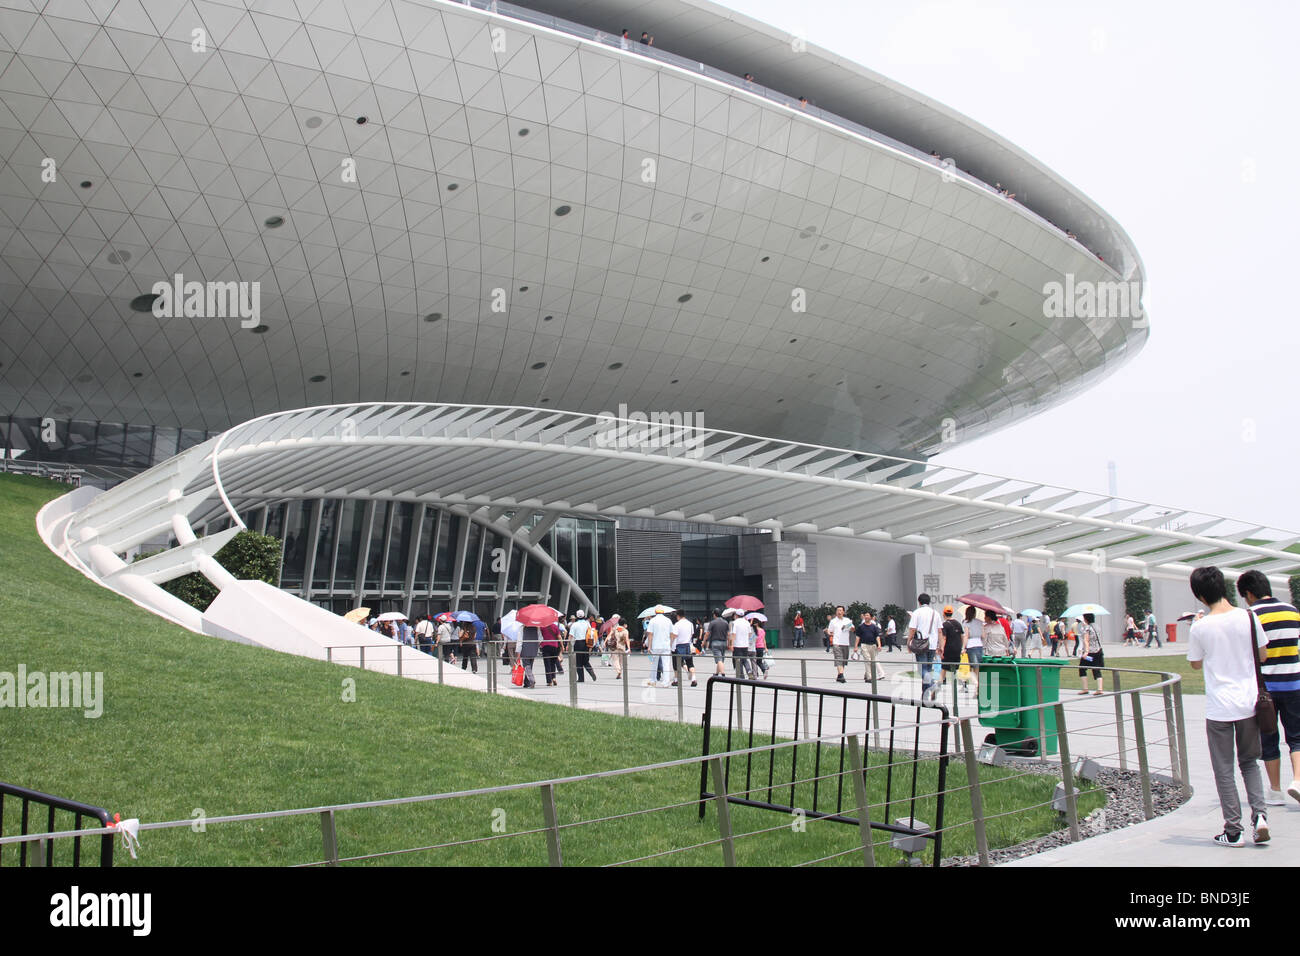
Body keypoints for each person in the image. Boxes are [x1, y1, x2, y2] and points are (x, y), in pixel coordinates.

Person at [1188, 566, 1270, 846]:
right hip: (1248, 704)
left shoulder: (1200, 626)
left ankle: (1233, 830)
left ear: (1200, 596)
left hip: (1219, 707)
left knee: (1224, 769)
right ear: (1223, 587)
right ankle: (1260, 816)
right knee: (1249, 763)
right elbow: (1263, 653)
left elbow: (1195, 663)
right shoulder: (1248, 617)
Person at [1237, 569, 1300, 806]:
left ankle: (1275, 791)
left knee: (1268, 738)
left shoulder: (1250, 615)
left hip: (1265, 690)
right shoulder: (1293, 611)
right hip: (1294, 683)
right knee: (1296, 736)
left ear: (1249, 593)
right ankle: (1297, 780)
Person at [907, 594, 942, 701]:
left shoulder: (917, 612)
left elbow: (912, 629)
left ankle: (932, 685)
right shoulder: (935, 613)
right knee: (927, 670)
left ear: (919, 602)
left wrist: (909, 642)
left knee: (922, 670)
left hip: (921, 644)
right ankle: (925, 695)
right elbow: (940, 630)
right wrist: (940, 645)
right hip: (932, 645)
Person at [1076, 612, 1105, 696]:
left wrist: (1086, 652)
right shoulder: (1097, 627)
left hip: (1090, 652)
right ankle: (1100, 688)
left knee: (1082, 668)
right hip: (1098, 651)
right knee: (1096, 669)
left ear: (1086, 619)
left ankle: (1085, 688)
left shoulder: (1087, 628)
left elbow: (1086, 640)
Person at [939, 606, 965, 694]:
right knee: (956, 668)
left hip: (948, 649)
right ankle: (963, 684)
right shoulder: (958, 623)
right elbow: (962, 636)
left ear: (943, 614)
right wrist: (962, 648)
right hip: (957, 649)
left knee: (944, 668)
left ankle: (938, 685)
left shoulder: (944, 625)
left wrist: (941, 649)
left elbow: (944, 638)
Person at [644, 608, 673, 687]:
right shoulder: (668, 620)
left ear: (655, 612)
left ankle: (653, 680)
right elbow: (671, 634)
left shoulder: (653, 621)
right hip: (666, 645)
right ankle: (666, 682)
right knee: (666, 664)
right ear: (663, 612)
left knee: (654, 663)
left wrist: (649, 646)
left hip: (656, 645)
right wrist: (671, 644)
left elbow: (650, 634)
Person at [825, 605, 853, 683]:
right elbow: (829, 630)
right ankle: (841, 675)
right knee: (839, 659)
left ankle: (839, 675)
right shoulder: (833, 621)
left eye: (841, 610)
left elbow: (852, 629)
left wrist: (851, 628)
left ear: (843, 612)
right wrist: (828, 632)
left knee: (843, 660)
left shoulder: (847, 620)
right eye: (838, 610)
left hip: (845, 643)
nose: (839, 612)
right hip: (837, 643)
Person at [671, 611, 697, 686]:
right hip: (687, 646)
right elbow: (692, 634)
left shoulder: (677, 624)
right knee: (690, 663)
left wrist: (670, 644)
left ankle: (676, 680)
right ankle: (694, 679)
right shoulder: (690, 624)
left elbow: (674, 636)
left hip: (677, 646)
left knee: (676, 664)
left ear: (678, 616)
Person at [855, 611, 882, 683]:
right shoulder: (861, 626)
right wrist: (856, 646)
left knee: (872, 662)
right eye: (865, 615)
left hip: (873, 646)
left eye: (868, 615)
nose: (866, 617)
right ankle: (869, 678)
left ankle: (867, 675)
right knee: (868, 661)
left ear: (871, 617)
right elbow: (858, 637)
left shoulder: (874, 627)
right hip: (864, 645)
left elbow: (877, 637)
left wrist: (879, 645)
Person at [570, 610, 597, 682]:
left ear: (576, 617)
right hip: (586, 643)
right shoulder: (587, 623)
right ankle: (591, 672)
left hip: (578, 643)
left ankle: (581, 678)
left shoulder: (574, 624)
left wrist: (568, 645)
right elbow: (591, 634)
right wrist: (591, 646)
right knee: (585, 660)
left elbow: (571, 636)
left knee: (578, 662)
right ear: (584, 616)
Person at [729, 610, 755, 679]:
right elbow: (749, 634)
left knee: (738, 660)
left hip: (737, 645)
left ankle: (741, 676)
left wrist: (731, 644)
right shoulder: (747, 623)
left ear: (736, 615)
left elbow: (733, 634)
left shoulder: (735, 623)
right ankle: (749, 671)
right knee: (745, 659)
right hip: (745, 645)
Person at [706, 608, 730, 677]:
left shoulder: (713, 622)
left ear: (714, 614)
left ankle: (723, 674)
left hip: (715, 642)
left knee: (719, 659)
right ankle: (716, 673)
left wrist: (704, 641)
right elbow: (728, 634)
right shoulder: (725, 622)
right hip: (724, 643)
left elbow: (707, 633)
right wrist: (729, 643)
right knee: (721, 659)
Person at [963, 606, 983, 688]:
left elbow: (966, 635)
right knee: (977, 667)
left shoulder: (966, 622)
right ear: (975, 613)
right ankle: (977, 688)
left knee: (971, 667)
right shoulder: (980, 622)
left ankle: (976, 684)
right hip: (979, 644)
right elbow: (983, 635)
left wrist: (963, 647)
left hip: (971, 646)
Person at [606, 616, 630, 680]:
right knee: (621, 661)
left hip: (614, 647)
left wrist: (606, 641)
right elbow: (627, 640)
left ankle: (618, 671)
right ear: (624, 624)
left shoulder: (615, 628)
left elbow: (610, 635)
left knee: (615, 660)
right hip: (622, 647)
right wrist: (629, 648)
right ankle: (619, 673)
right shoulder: (625, 631)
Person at [539, 620, 562, 686]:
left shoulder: (542, 627)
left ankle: (549, 681)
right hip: (555, 646)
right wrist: (562, 646)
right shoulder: (555, 626)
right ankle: (553, 678)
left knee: (547, 664)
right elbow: (559, 637)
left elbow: (540, 636)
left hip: (545, 646)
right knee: (553, 663)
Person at [518, 623, 539, 689]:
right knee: (530, 665)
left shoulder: (522, 628)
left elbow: (519, 640)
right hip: (534, 648)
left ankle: (532, 680)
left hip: (525, 648)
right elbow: (541, 638)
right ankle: (527, 682)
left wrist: (518, 651)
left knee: (526, 665)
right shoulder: (537, 627)